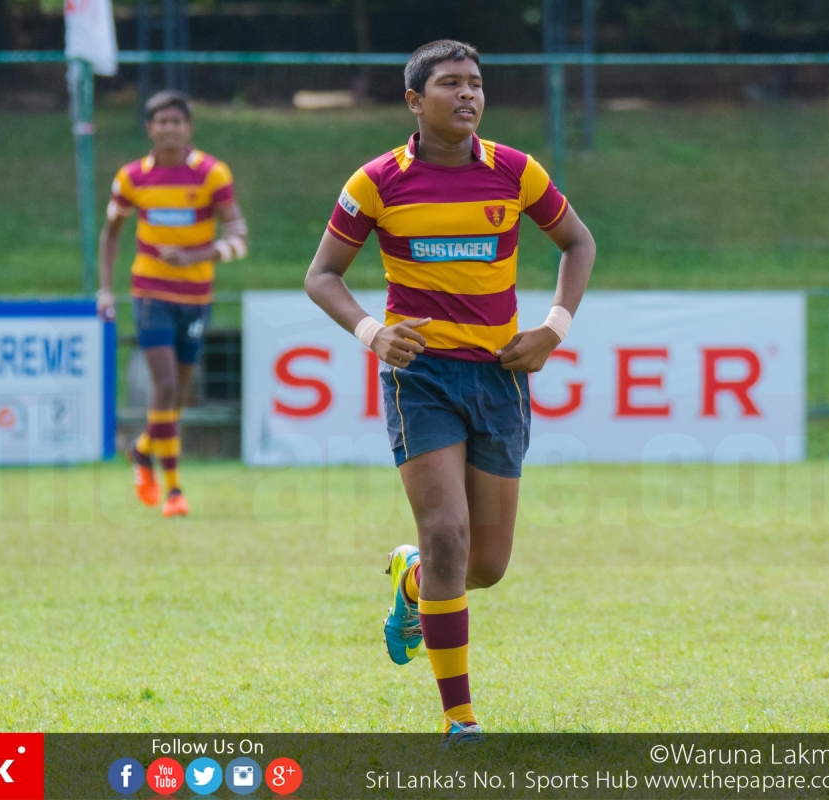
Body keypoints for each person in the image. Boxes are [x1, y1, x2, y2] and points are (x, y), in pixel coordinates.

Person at [304, 40, 595, 744]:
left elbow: (578, 243)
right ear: (414, 100)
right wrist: (373, 333)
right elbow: (321, 275)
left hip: (499, 376)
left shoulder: (515, 171)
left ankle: (411, 582)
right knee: (445, 534)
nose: (468, 94)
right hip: (421, 377)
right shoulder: (376, 182)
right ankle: (459, 719)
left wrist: (553, 329)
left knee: (483, 567)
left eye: (476, 83)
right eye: (451, 84)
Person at [97, 90, 249, 518]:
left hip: (196, 297)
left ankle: (143, 448)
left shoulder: (211, 174)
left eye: (176, 121)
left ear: (189, 128)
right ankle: (175, 490)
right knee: (164, 385)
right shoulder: (131, 178)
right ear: (149, 128)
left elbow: (239, 239)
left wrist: (195, 256)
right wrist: (106, 289)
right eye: (161, 122)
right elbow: (110, 234)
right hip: (150, 294)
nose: (169, 129)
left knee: (179, 393)